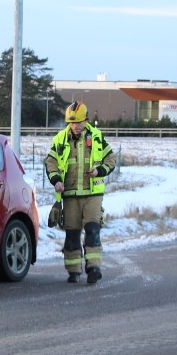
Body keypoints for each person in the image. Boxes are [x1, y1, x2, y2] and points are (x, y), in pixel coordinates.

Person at [45, 102, 116, 284]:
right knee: (72, 234)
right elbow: (51, 162)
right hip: (69, 195)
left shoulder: (97, 137)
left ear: (86, 120)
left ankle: (93, 268)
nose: (75, 126)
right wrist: (56, 180)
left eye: (79, 122)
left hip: (93, 194)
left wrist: (99, 171)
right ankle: (73, 270)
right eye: (72, 122)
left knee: (93, 230)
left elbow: (111, 159)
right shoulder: (60, 139)